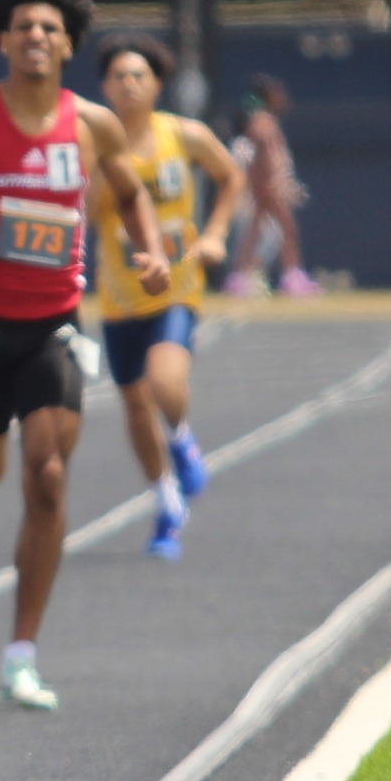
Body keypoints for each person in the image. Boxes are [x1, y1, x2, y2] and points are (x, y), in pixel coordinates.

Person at [0, 0, 167, 712]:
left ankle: (21, 653)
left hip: (55, 325)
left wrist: (149, 251)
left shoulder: (92, 124)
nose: (36, 37)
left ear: (68, 44)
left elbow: (130, 191)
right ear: (3, 40)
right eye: (23, 27)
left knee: (50, 474)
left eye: (50, 29)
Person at [90, 34, 241, 561]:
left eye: (139, 76)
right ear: (105, 87)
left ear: (157, 84)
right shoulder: (98, 150)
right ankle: (166, 502)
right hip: (119, 299)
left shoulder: (184, 135)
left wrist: (217, 232)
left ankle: (181, 438)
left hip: (176, 288)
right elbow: (83, 212)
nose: (129, 86)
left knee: (165, 381)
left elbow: (230, 177)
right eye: (118, 77)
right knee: (133, 408)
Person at [226, 74, 318, 297]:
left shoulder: (261, 121)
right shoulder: (263, 122)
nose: (283, 97)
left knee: (256, 232)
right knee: (288, 230)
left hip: (266, 185)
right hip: (269, 186)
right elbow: (265, 158)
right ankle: (291, 277)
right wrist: (277, 181)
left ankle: (239, 277)